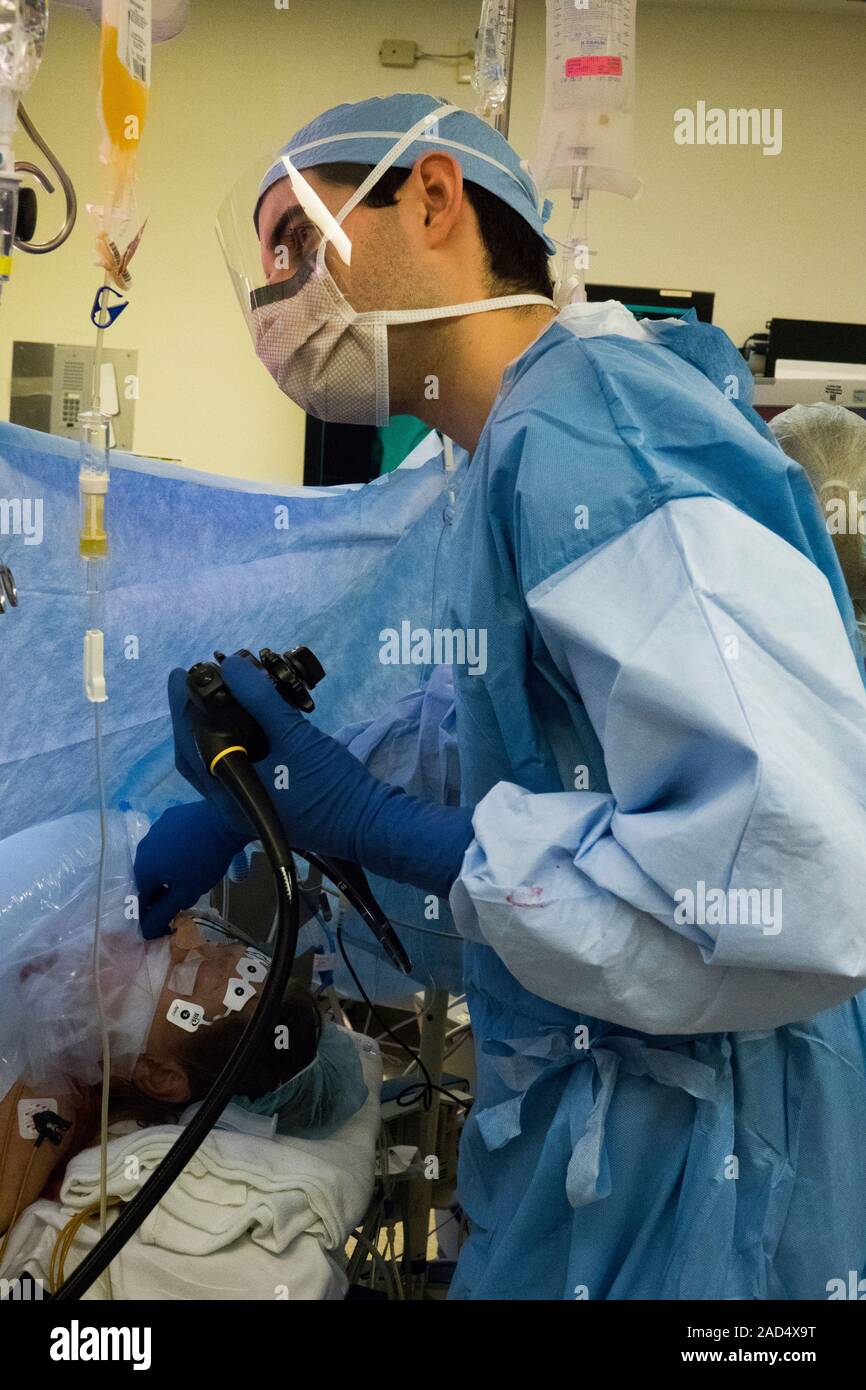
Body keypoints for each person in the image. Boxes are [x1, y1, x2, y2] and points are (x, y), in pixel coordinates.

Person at [135, 94, 866, 1299]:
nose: (270, 303)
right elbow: (499, 753)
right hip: (597, 1140)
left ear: (432, 199)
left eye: (293, 244)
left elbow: (791, 878)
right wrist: (272, 785)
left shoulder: (600, 430)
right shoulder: (496, 460)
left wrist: (383, 828)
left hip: (707, 1172)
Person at [0, 905, 366, 1244]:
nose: (182, 934)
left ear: (159, 1076)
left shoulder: (45, 1101)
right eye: (213, 942)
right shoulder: (69, 921)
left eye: (185, 972)